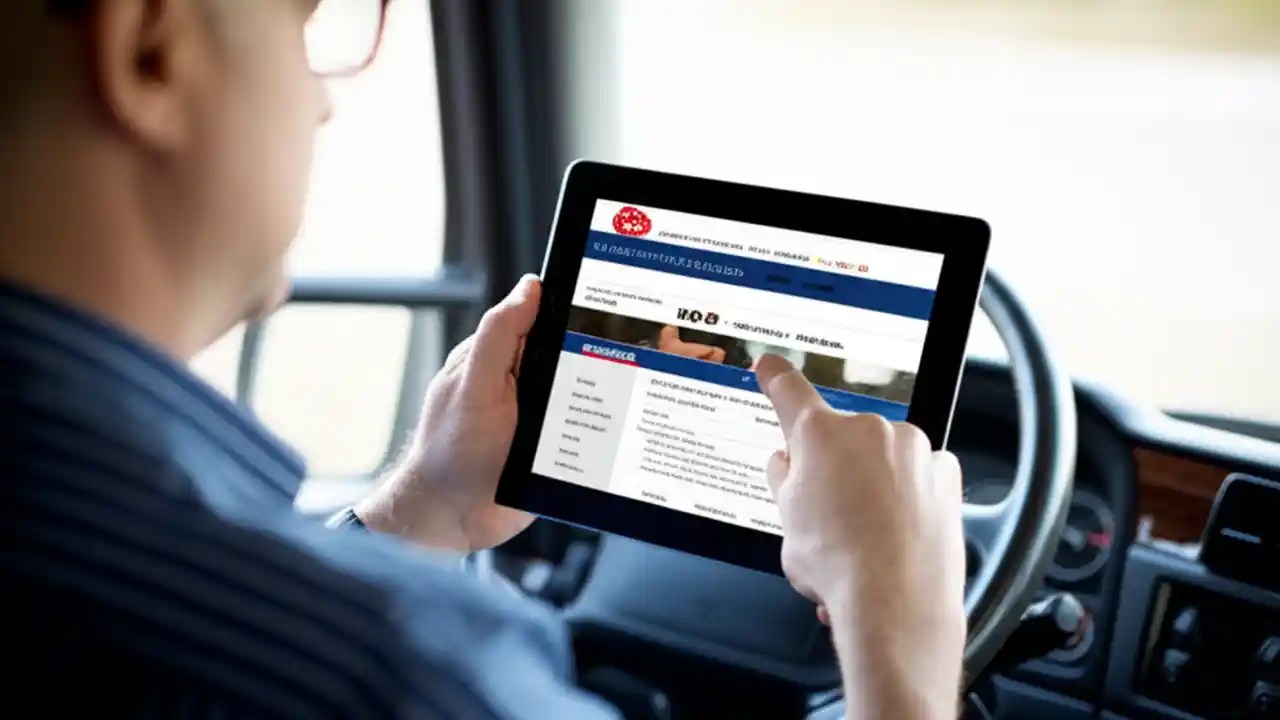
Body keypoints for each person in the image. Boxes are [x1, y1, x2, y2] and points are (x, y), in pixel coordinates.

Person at [0, 1, 966, 718]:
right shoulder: (407, 671)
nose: (323, 105)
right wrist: (900, 639)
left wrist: (425, 512)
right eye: (304, 25)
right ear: (147, 51)